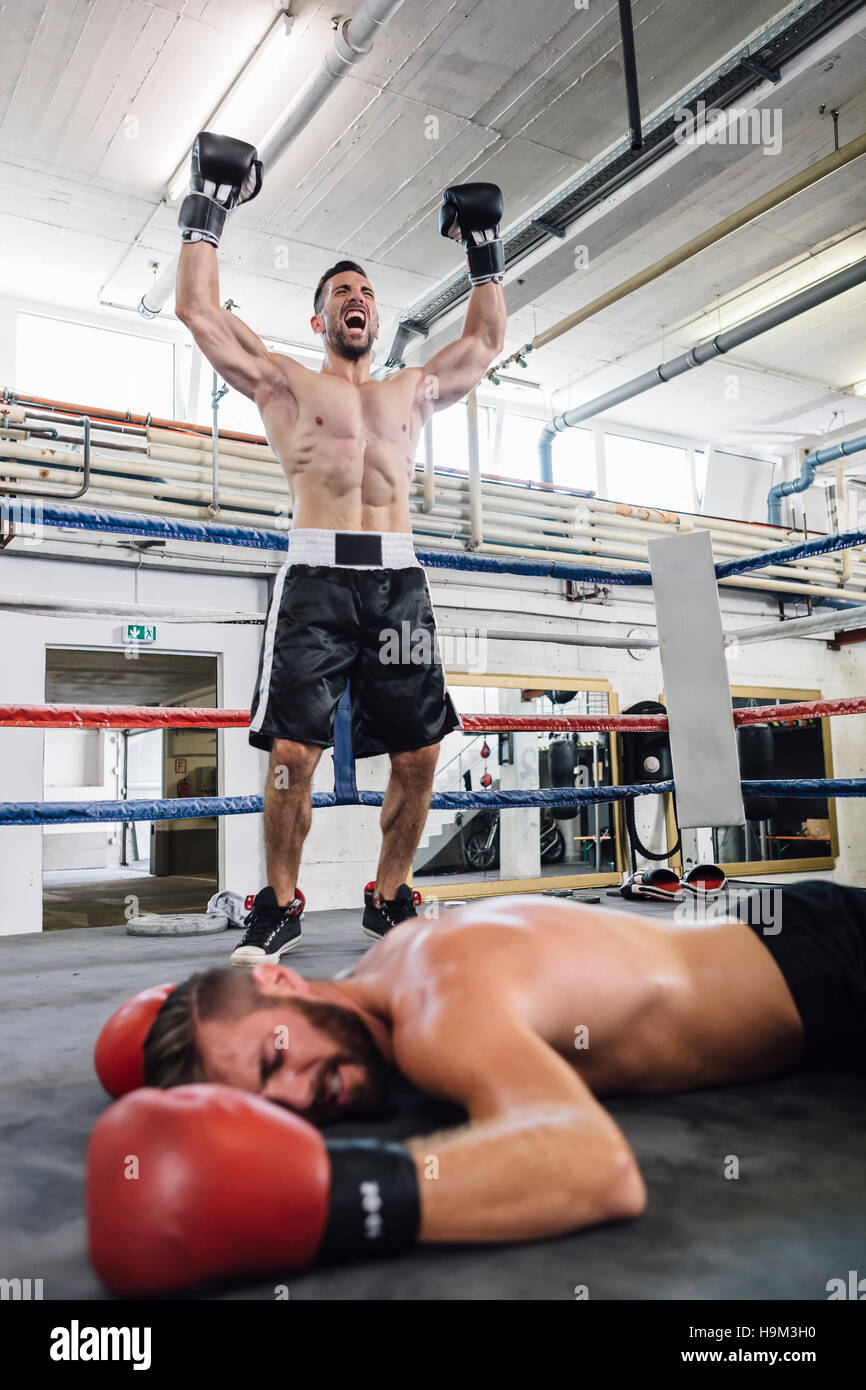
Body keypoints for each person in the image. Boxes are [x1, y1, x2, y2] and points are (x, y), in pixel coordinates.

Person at [89, 878, 865, 1294]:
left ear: (283, 978)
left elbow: (596, 1168)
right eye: (264, 1105)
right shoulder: (383, 964)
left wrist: (322, 1196)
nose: (294, 1100)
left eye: (272, 1061)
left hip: (835, 966)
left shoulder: (438, 1007)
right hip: (784, 940)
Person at [173, 132, 507, 958]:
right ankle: (281, 902)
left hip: (399, 581)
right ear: (321, 317)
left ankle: (388, 897)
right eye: (342, 292)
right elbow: (199, 312)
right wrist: (206, 215)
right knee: (293, 752)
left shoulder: (411, 390)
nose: (357, 298)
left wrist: (485, 258)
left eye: (366, 292)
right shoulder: (287, 381)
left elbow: (485, 344)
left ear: (375, 318)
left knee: (422, 754)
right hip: (317, 579)